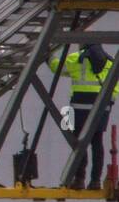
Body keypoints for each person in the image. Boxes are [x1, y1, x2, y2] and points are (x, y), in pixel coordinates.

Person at [48, 43, 114, 190]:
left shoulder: (76, 59)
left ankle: (79, 179)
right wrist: (107, 103)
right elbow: (115, 88)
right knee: (97, 143)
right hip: (101, 110)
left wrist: (49, 55)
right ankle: (95, 181)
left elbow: (57, 67)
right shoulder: (110, 62)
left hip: (80, 110)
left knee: (78, 144)